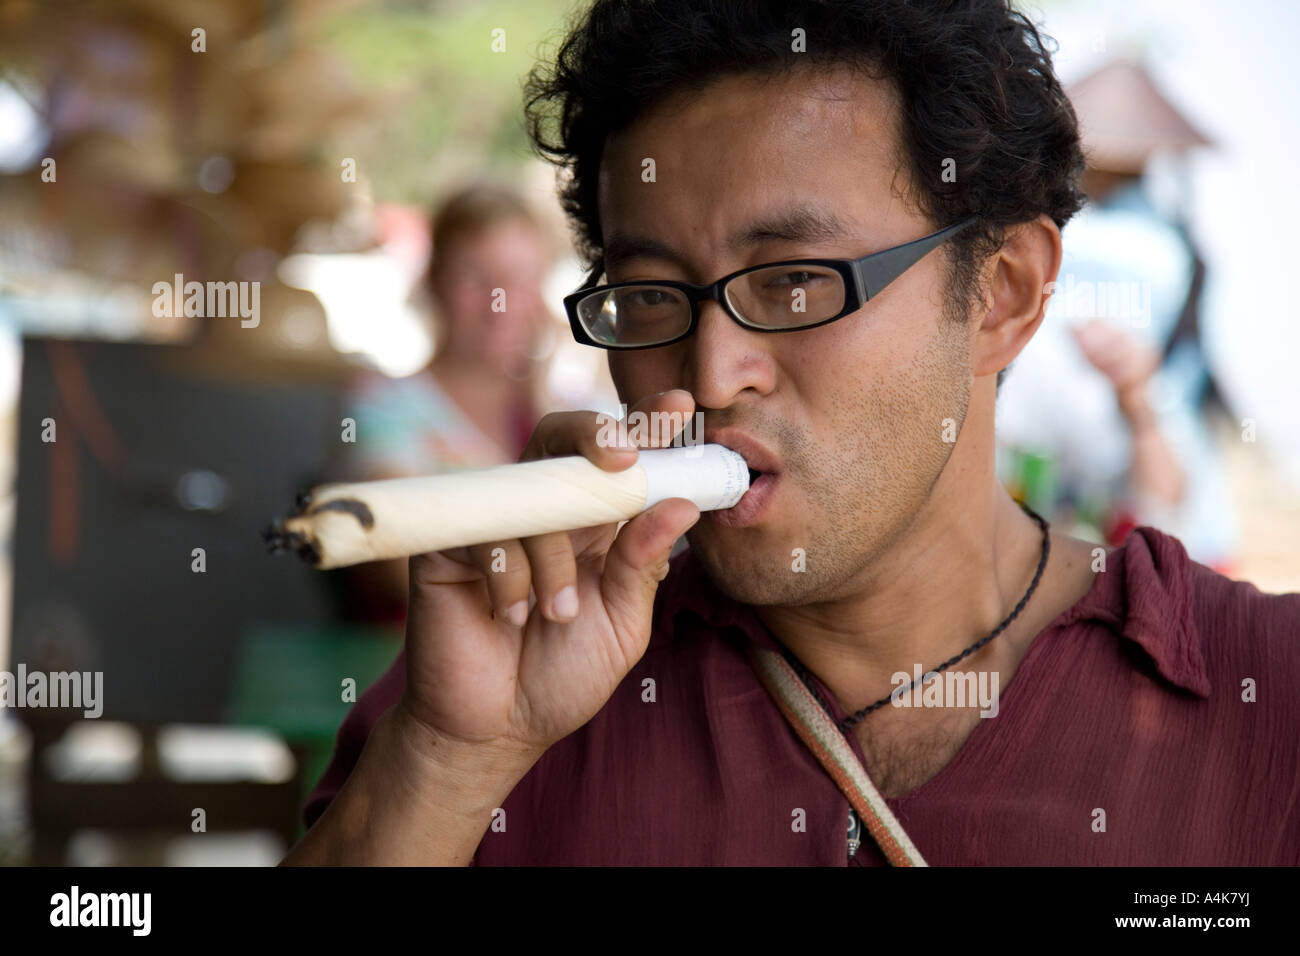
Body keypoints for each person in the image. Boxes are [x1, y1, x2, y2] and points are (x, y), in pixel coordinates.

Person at [284, 0, 1300, 866]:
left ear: (1002, 295)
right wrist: (454, 762)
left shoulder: (1264, 700)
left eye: (795, 280)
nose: (712, 368)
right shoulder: (500, 704)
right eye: (648, 294)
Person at [337, 185, 556, 622]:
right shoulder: (380, 401)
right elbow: (400, 562)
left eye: (521, 278)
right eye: (476, 278)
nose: (501, 303)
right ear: (435, 282)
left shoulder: (553, 410)